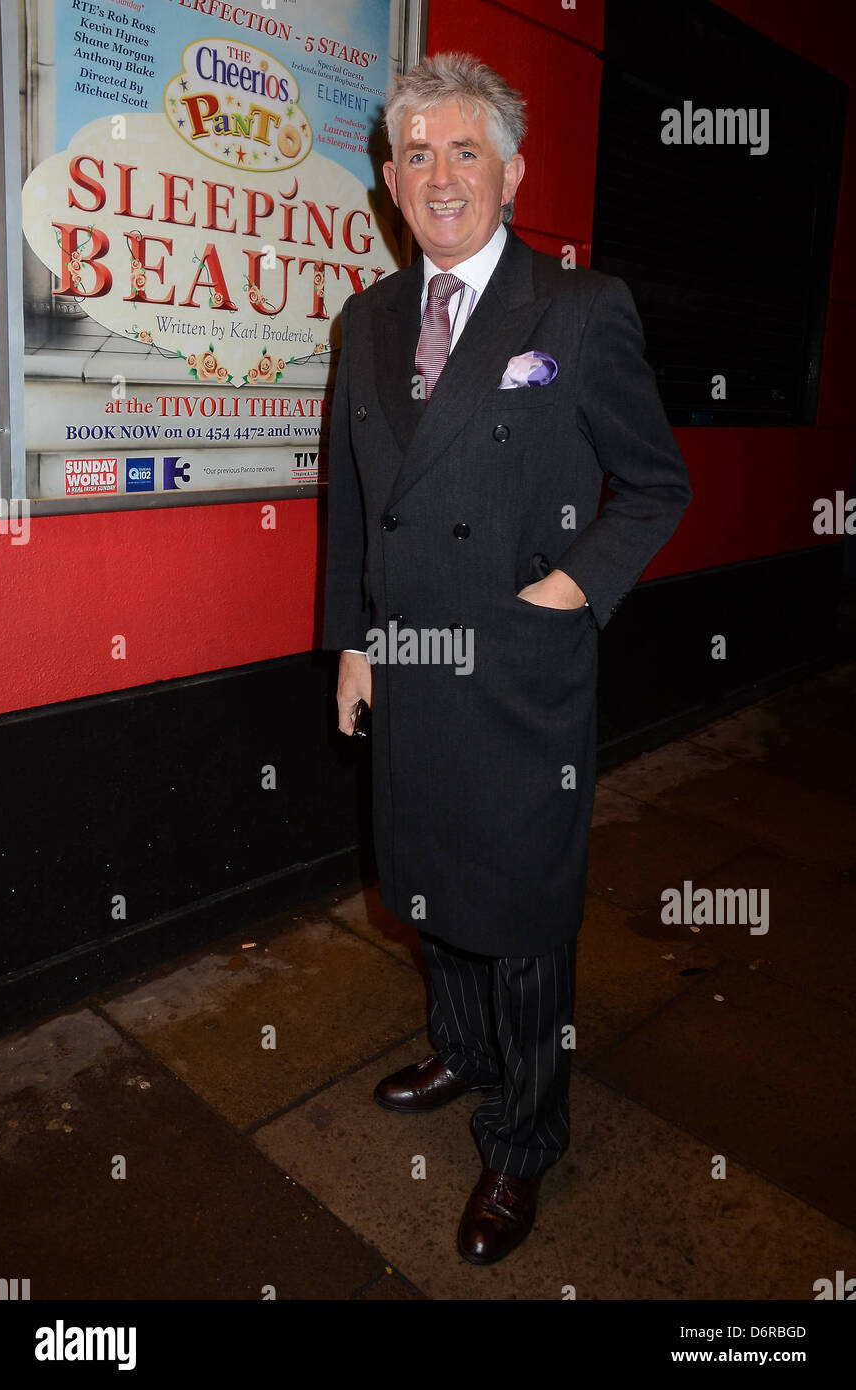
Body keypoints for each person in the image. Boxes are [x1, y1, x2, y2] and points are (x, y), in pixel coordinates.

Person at [322, 51, 691, 1265]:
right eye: (415, 153)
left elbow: (652, 486)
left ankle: (523, 1138)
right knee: (426, 880)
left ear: (511, 171)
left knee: (523, 918)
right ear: (388, 177)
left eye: (462, 150)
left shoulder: (580, 311)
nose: (438, 174)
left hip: (519, 671)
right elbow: (349, 506)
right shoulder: (365, 320)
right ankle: (464, 1049)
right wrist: (354, 645)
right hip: (409, 664)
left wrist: (563, 593)